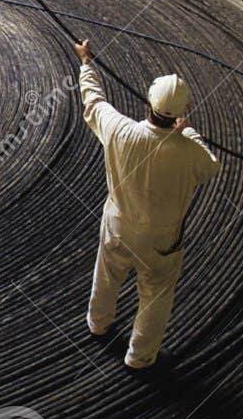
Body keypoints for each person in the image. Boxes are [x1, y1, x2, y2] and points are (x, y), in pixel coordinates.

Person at [75, 38, 221, 370]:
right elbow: (211, 167)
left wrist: (86, 63)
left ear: (147, 105)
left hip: (118, 224)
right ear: (181, 115)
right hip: (161, 239)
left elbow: (94, 101)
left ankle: (98, 323)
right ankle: (139, 357)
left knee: (108, 274)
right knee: (156, 295)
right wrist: (191, 134)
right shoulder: (190, 153)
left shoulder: (119, 131)